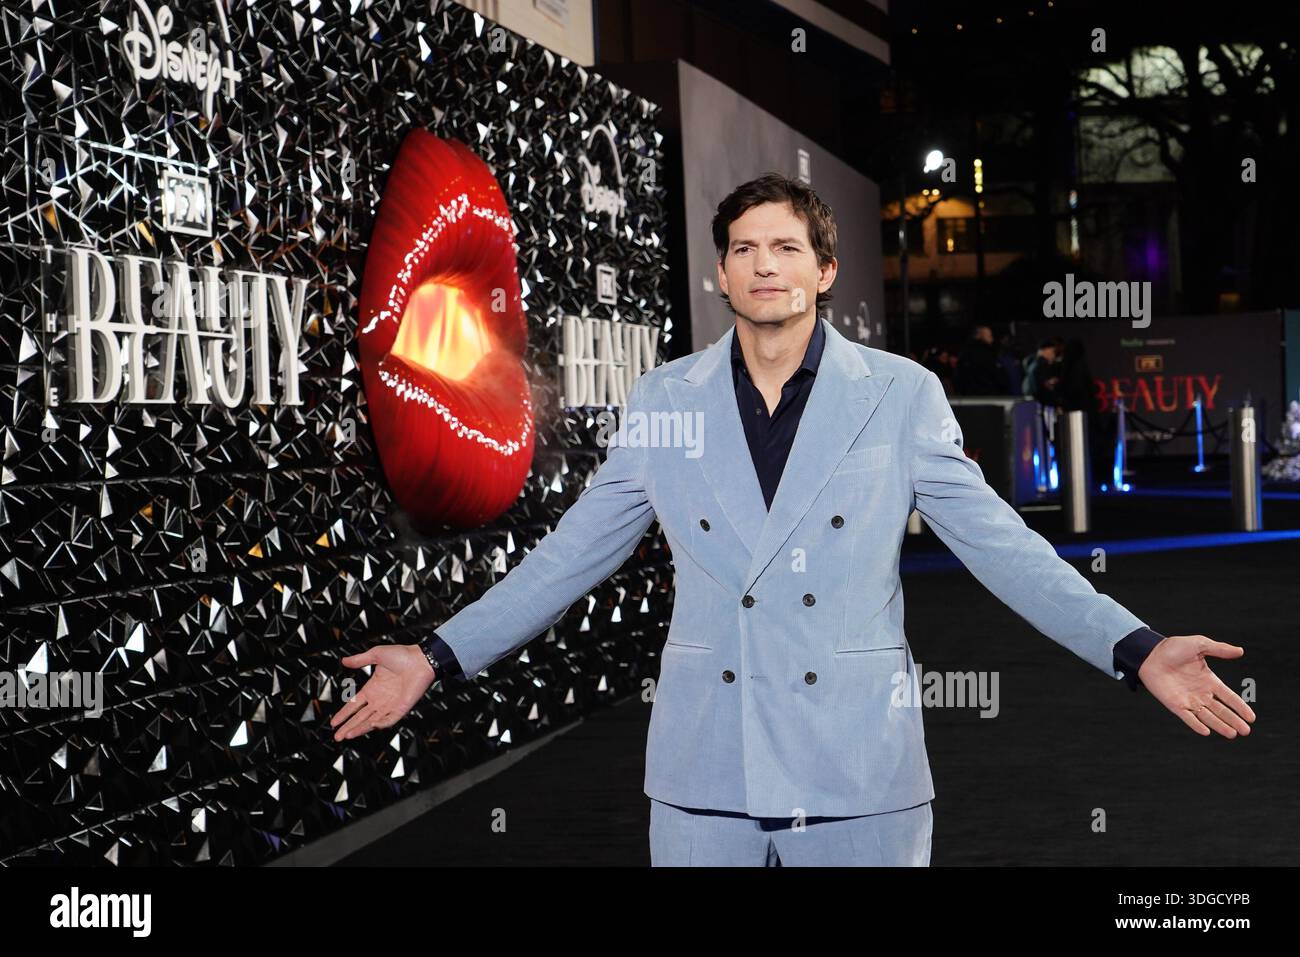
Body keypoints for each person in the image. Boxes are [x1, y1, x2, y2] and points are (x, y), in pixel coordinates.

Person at [330, 173, 1254, 867]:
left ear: (824, 268)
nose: (763, 264)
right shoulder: (666, 396)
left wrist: (1135, 645)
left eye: (783, 247)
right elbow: (570, 556)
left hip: (857, 762)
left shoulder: (898, 394)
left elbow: (1003, 548)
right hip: (705, 766)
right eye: (742, 249)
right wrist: (438, 654)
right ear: (720, 274)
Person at [955, 324, 1006, 396]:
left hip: (969, 397)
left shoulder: (965, 353)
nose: (992, 339)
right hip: (989, 395)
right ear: (979, 335)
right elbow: (996, 375)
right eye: (989, 336)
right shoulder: (987, 354)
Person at [1022, 336, 1063, 405]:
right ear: (1047, 350)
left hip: (1031, 402)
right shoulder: (1041, 365)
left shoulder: (1033, 364)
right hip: (1040, 404)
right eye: (1053, 351)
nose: (1054, 355)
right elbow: (1040, 389)